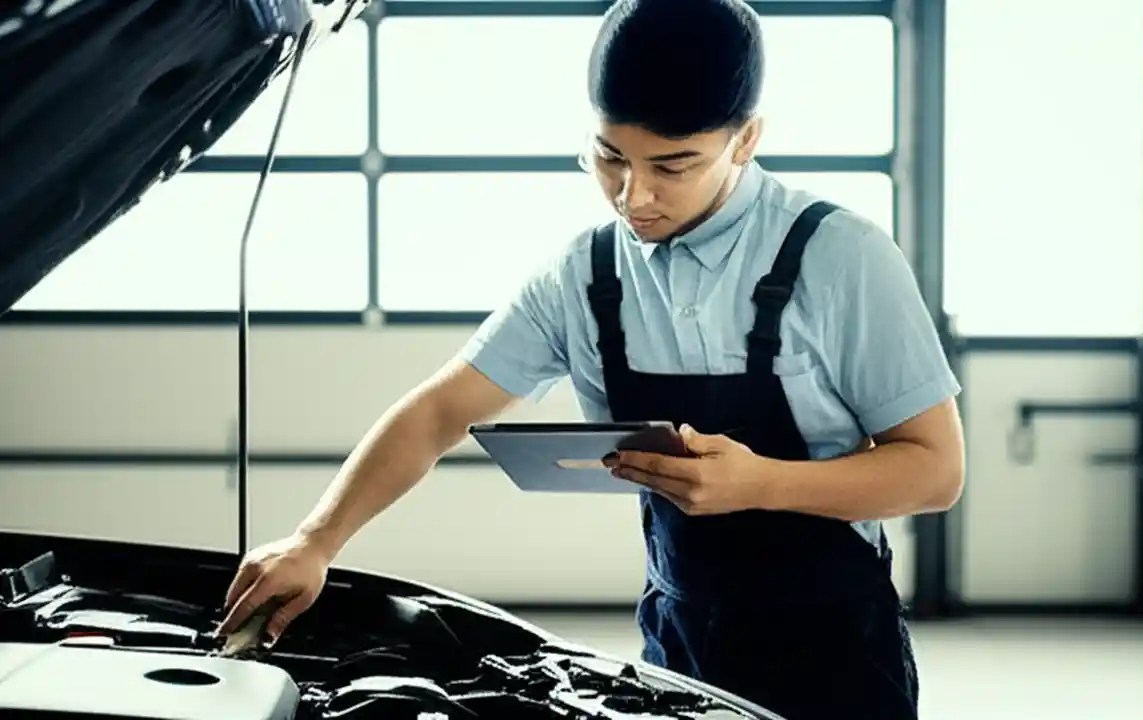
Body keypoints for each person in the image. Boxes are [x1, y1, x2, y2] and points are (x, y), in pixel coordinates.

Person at [218, 0, 965, 717]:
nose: (632, 196)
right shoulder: (583, 276)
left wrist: (761, 483)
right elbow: (440, 412)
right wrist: (317, 540)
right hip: (678, 643)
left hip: (835, 649)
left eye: (673, 166)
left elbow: (935, 471)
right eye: (609, 156)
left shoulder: (843, 258)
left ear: (746, 139)